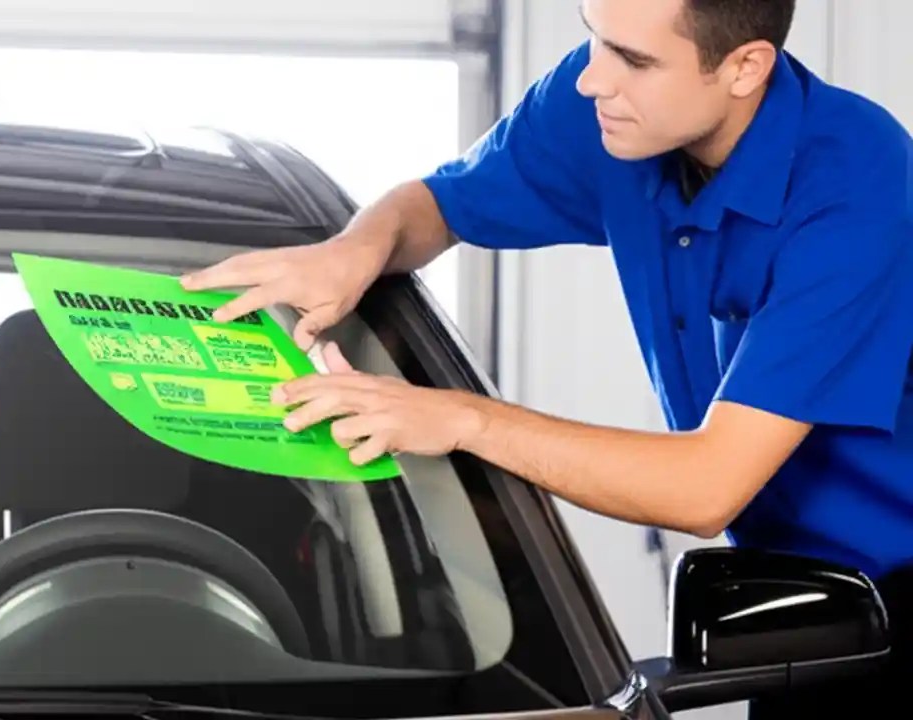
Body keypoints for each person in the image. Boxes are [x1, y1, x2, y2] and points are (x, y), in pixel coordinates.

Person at [182, 0, 912, 715]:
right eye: (594, 36)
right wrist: (355, 250)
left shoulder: (858, 185)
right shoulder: (604, 106)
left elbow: (705, 488)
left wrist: (460, 419)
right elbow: (439, 205)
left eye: (634, 58)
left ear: (745, 67)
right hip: (788, 605)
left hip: (888, 593)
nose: (593, 78)